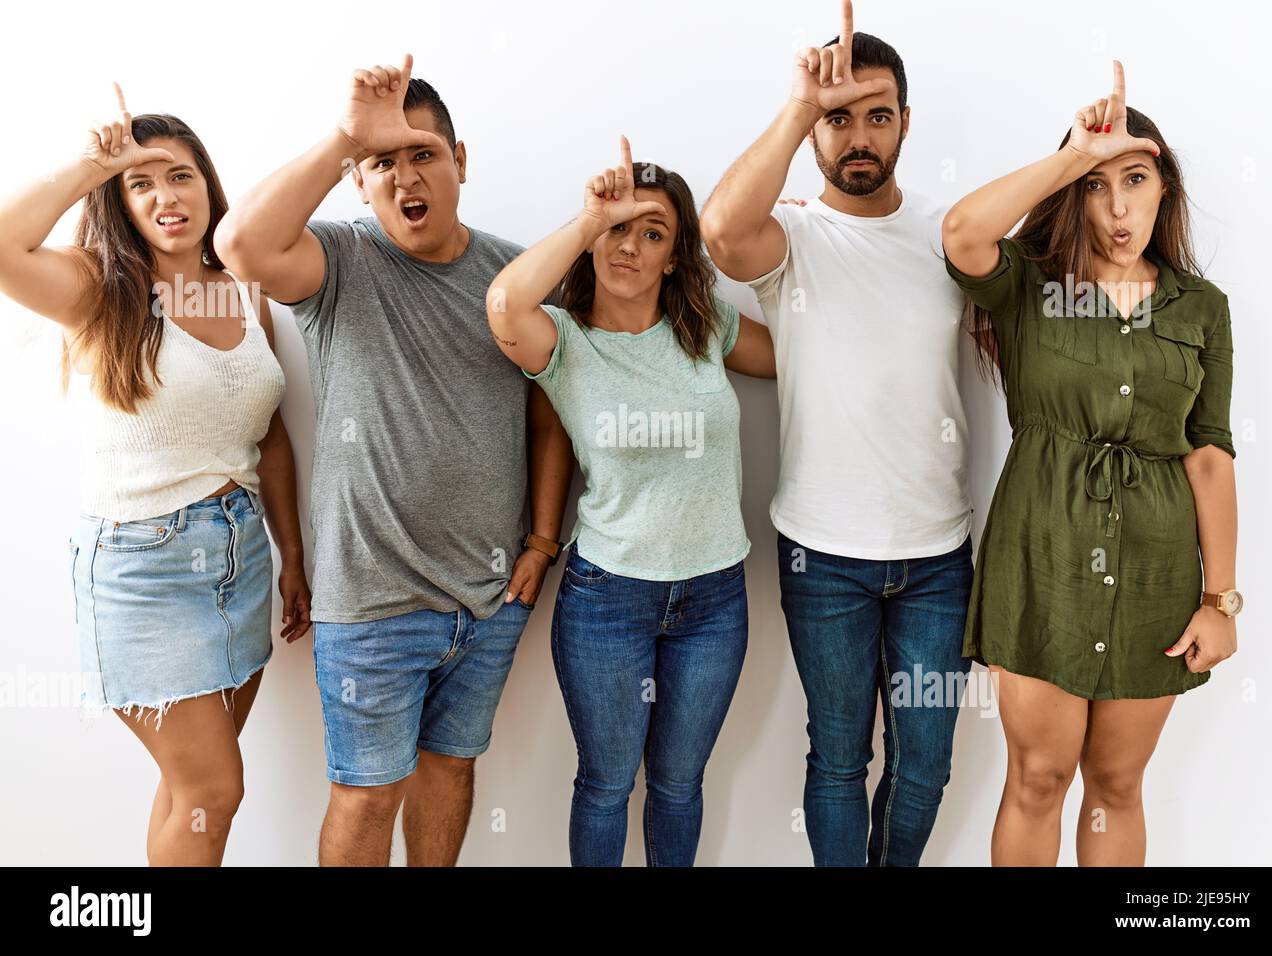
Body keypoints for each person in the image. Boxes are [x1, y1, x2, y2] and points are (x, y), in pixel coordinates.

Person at [214, 55, 574, 866]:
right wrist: (346, 134)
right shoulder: (340, 261)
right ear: (357, 181)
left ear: (461, 163)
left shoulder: (515, 278)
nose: (406, 178)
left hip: (487, 599)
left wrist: (542, 542)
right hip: (372, 601)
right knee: (367, 793)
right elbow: (239, 244)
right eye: (382, 162)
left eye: (424, 155)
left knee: (450, 771)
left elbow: (551, 418)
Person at [0, 85, 311, 865]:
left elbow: (267, 436)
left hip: (238, 559)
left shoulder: (246, 296)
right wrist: (88, 165)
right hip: (141, 568)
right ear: (121, 204)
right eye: (140, 183)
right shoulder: (98, 291)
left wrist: (293, 558)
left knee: (189, 794)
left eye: (179, 175)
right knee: (214, 791)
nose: (166, 196)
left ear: (209, 184)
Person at [941, 61, 1240, 866]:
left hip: (1155, 572)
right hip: (1042, 560)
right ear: (1073, 193)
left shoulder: (1200, 309)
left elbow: (1209, 452)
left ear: (1163, 189)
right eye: (1096, 186)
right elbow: (962, 234)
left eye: (1135, 179)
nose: (1118, 207)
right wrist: (1075, 153)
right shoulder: (1032, 287)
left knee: (1116, 783)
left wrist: (1222, 600)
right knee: (1039, 777)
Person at [699, 0, 974, 866]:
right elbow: (717, 233)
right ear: (814, 130)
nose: (859, 135)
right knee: (840, 756)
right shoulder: (792, 237)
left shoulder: (947, 234)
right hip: (823, 554)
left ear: (904, 123)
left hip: (938, 552)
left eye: (877, 115)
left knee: (925, 763)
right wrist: (795, 106)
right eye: (837, 117)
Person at [486, 136, 775, 866]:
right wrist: (589, 218)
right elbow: (503, 302)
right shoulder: (562, 340)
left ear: (674, 257)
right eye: (620, 229)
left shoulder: (707, 329)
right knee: (608, 784)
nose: (631, 247)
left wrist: (801, 254)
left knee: (679, 786)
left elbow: (806, 354)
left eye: (654, 234)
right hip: (608, 598)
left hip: (714, 598)